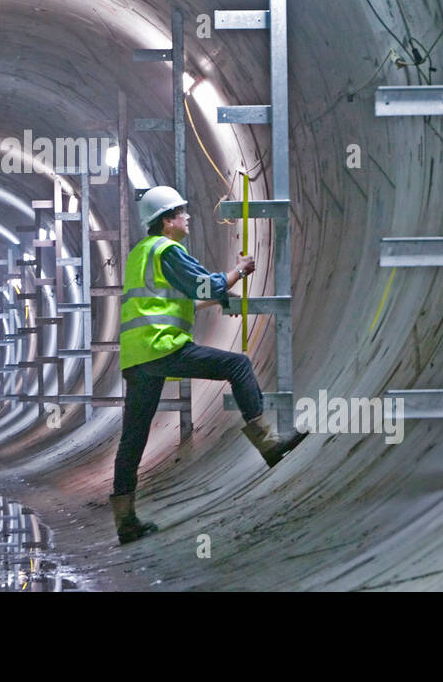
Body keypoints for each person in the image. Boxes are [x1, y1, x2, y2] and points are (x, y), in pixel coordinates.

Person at [109, 185, 306, 545]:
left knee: (133, 437)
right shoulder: (169, 251)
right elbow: (202, 286)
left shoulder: (142, 253)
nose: (187, 217)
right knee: (238, 366)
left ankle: (125, 520)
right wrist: (238, 271)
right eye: (181, 212)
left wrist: (214, 301)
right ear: (167, 221)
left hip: (138, 358)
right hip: (163, 347)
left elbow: (168, 301)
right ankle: (268, 442)